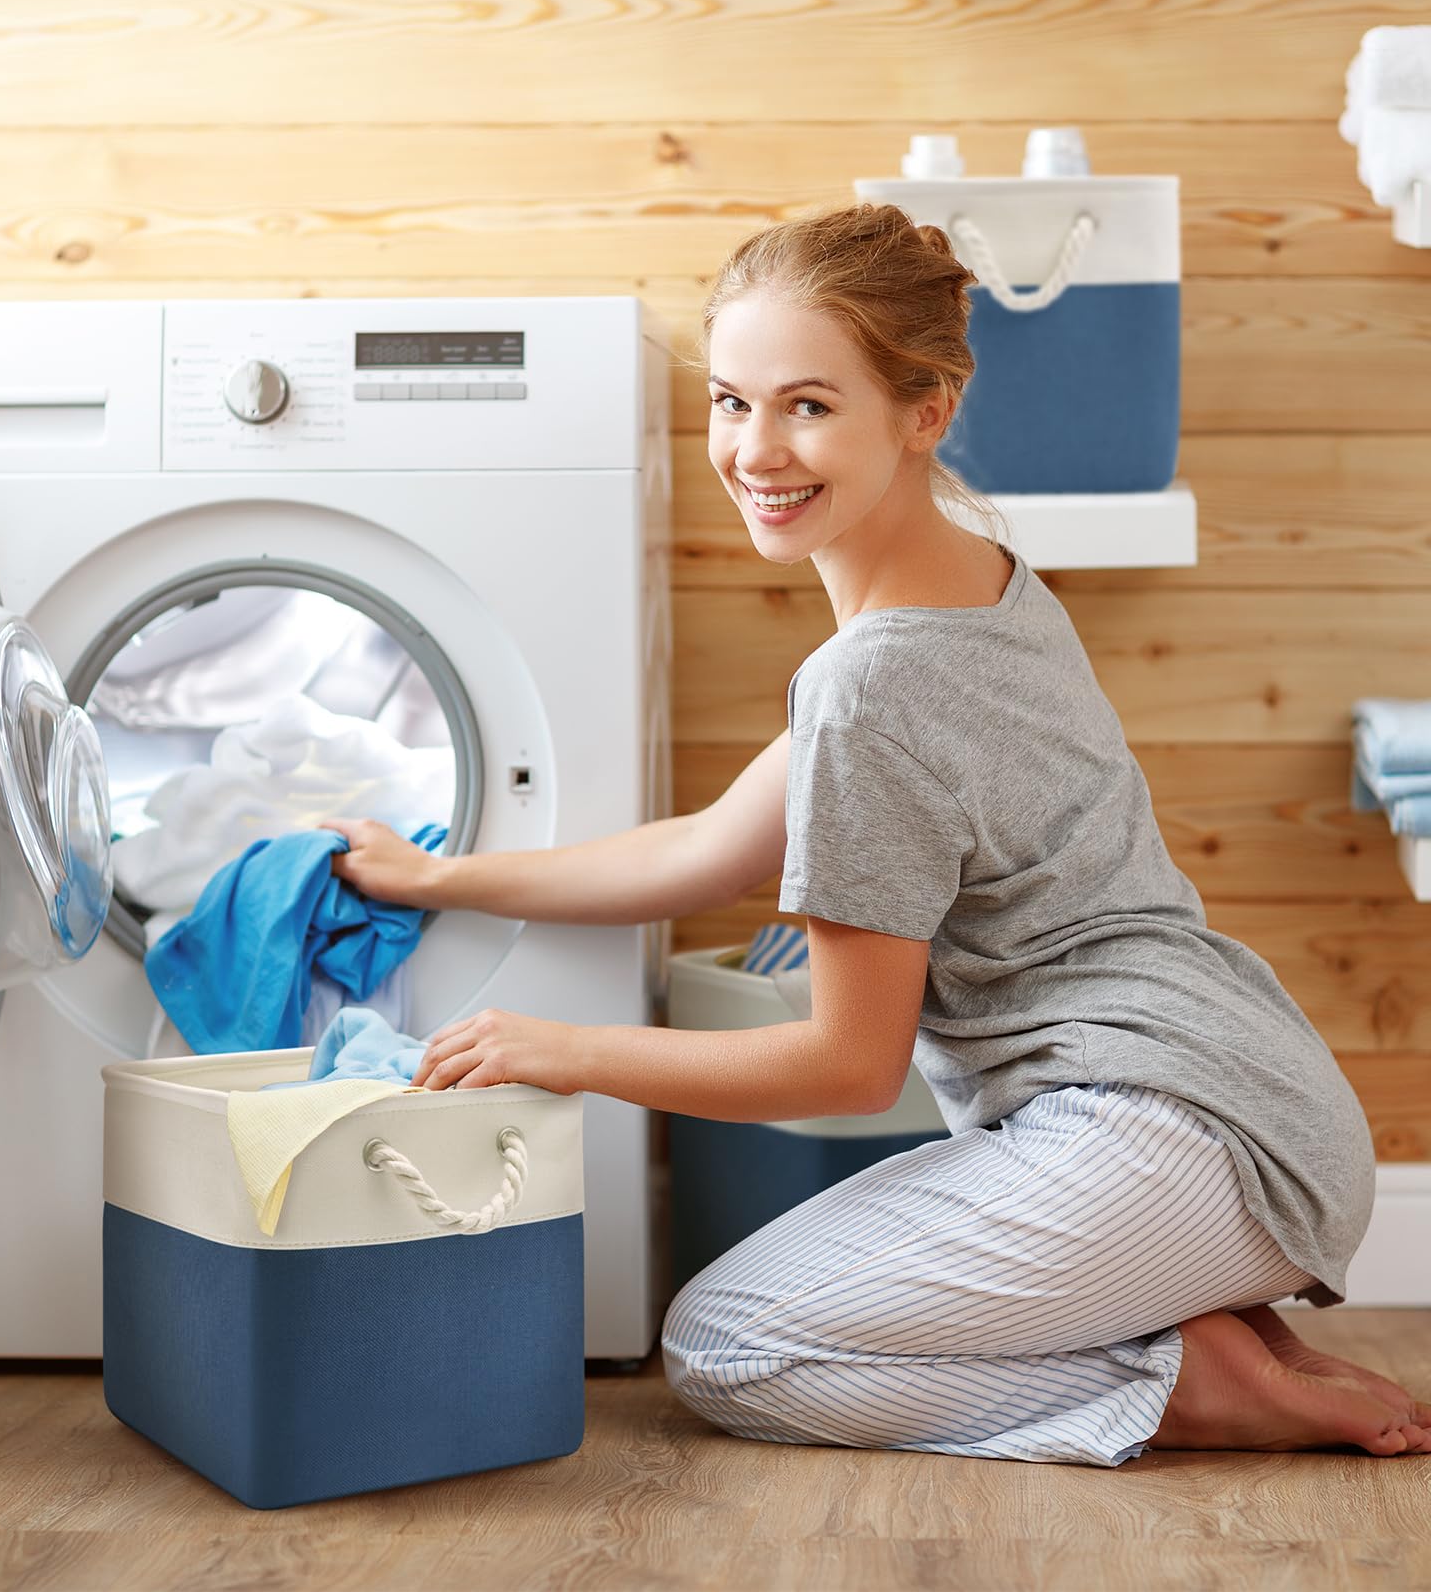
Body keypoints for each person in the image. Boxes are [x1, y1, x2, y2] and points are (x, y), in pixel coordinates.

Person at [325, 203, 1430, 1465]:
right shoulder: (981, 576)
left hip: (1162, 1135)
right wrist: (444, 873)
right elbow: (707, 847)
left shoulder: (869, 687)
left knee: (728, 1346)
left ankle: (1185, 1387)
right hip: (1254, 1094)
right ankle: (1211, 1334)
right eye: (730, 402)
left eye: (807, 405)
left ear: (925, 411)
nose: (754, 450)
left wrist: (564, 1050)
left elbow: (848, 1066)